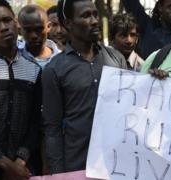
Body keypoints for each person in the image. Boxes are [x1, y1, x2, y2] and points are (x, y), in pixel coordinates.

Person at [42, 0, 127, 174]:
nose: (94, 20)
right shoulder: (54, 70)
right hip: (78, 168)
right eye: (86, 16)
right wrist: (59, 175)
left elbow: (134, 108)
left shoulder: (116, 59)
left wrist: (157, 80)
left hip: (117, 166)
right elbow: (52, 129)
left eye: (95, 14)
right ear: (68, 23)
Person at [0, 0, 42, 179]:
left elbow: (36, 121)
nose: (4, 27)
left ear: (16, 23)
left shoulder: (34, 69)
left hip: (24, 169)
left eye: (7, 20)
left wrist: (20, 160)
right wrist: (4, 162)